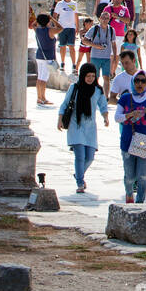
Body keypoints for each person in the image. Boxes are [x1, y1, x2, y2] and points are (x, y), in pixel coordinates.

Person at [60, 63, 108, 194]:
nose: (90, 78)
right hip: (76, 125)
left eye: (93, 76)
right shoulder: (74, 88)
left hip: (90, 127)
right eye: (88, 76)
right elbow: (64, 104)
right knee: (80, 156)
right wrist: (60, 120)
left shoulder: (98, 90)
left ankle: (78, 173)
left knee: (90, 157)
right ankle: (80, 182)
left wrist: (106, 117)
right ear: (82, 75)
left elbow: (103, 105)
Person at [115, 70, 146, 204]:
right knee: (129, 175)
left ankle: (140, 202)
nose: (140, 83)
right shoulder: (125, 98)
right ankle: (129, 195)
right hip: (128, 139)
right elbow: (117, 117)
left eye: (143, 81)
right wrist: (129, 115)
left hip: (145, 141)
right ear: (133, 82)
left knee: (142, 175)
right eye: (137, 80)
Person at [83, 9, 116, 96]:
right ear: (100, 18)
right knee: (95, 78)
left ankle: (105, 97)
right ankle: (94, 95)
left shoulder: (112, 30)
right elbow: (84, 41)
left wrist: (115, 57)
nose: (105, 20)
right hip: (95, 57)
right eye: (103, 18)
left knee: (106, 78)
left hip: (106, 58)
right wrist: (96, 46)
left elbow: (114, 44)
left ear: (109, 19)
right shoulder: (94, 29)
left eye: (107, 18)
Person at [33, 11, 60, 107]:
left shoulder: (37, 29)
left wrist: (39, 19)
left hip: (39, 56)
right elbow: (61, 28)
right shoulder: (50, 30)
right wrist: (52, 18)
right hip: (47, 57)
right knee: (44, 79)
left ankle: (39, 97)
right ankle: (43, 98)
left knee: (39, 77)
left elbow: (33, 24)